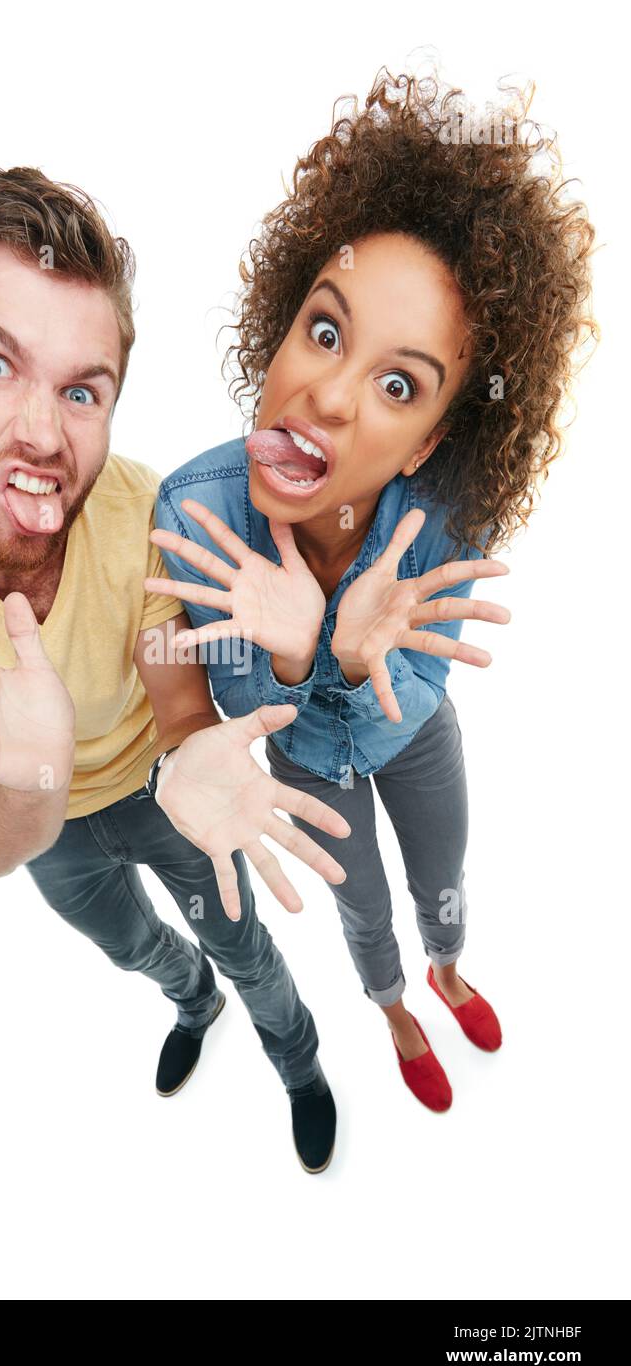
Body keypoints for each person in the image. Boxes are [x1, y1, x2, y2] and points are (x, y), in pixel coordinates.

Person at [0, 166, 353, 1174]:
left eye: (80, 389)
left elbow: (175, 696)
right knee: (135, 947)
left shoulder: (149, 519)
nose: (43, 436)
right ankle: (191, 1004)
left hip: (161, 791)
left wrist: (189, 756)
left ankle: (297, 1061)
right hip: (41, 825)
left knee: (244, 941)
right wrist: (30, 781)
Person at [147, 68, 596, 1112]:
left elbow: (414, 679)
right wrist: (302, 660)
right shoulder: (192, 511)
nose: (329, 396)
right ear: (279, 323)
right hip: (307, 768)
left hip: (414, 737)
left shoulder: (445, 520)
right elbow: (205, 683)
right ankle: (394, 1003)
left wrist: (351, 659)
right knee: (361, 912)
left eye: (398, 385)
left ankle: (446, 968)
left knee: (442, 878)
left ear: (430, 438)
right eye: (322, 329)